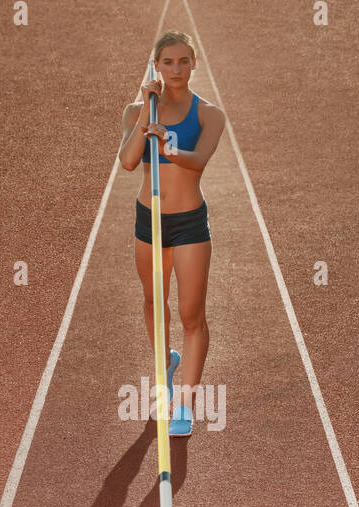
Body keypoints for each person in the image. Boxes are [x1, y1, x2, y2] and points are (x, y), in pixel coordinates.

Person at [118, 30, 225, 436]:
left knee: (191, 314)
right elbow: (129, 162)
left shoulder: (209, 114)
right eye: (168, 62)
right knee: (153, 302)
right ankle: (164, 370)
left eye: (183, 61)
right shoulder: (135, 112)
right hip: (149, 221)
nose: (176, 69)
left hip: (189, 224)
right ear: (156, 66)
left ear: (194, 63)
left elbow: (198, 163)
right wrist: (148, 114)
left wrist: (170, 148)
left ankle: (184, 404)